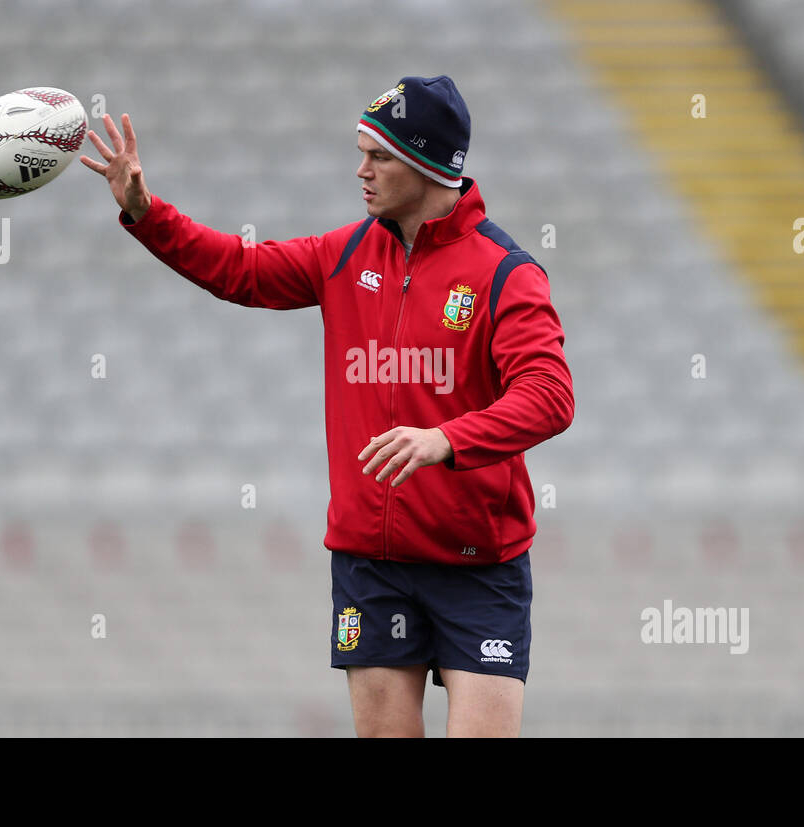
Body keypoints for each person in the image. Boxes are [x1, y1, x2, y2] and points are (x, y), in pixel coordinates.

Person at [82, 75, 573, 737]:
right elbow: (240, 270)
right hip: (370, 563)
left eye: (378, 156)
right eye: (360, 152)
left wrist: (445, 440)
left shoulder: (505, 273)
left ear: (427, 165)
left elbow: (550, 397)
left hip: (479, 566)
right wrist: (146, 212)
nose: (361, 171)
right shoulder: (343, 255)